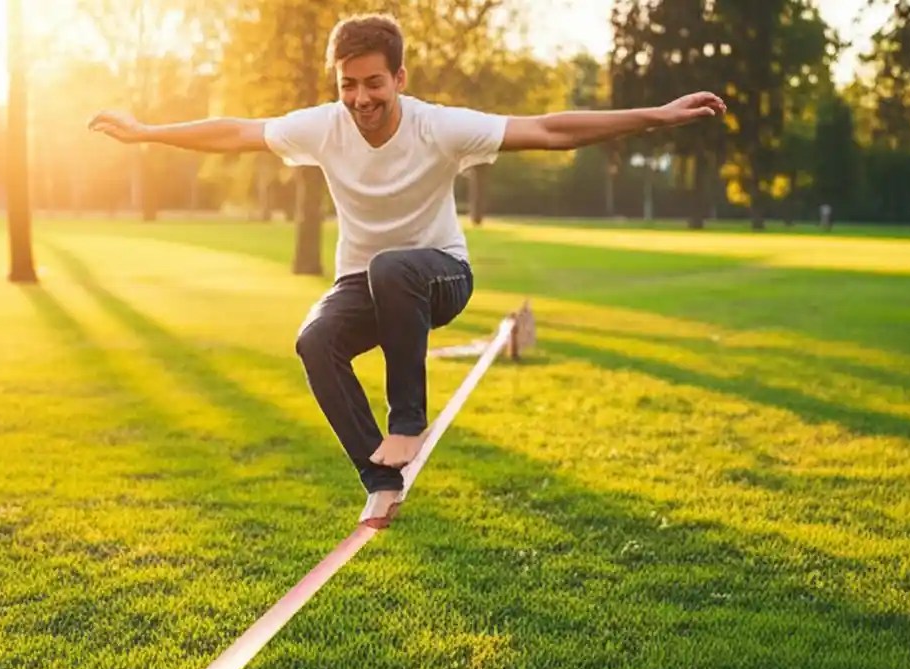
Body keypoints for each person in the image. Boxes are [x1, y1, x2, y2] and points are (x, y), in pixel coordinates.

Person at [88, 13, 726, 528]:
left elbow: (551, 129)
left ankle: (406, 424)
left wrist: (659, 116)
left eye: (373, 83)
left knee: (394, 268)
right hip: (366, 283)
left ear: (399, 77)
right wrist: (148, 133)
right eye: (348, 85)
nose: (360, 99)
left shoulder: (440, 127)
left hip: (440, 278)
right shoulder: (322, 127)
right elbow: (234, 132)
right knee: (315, 340)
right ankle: (381, 481)